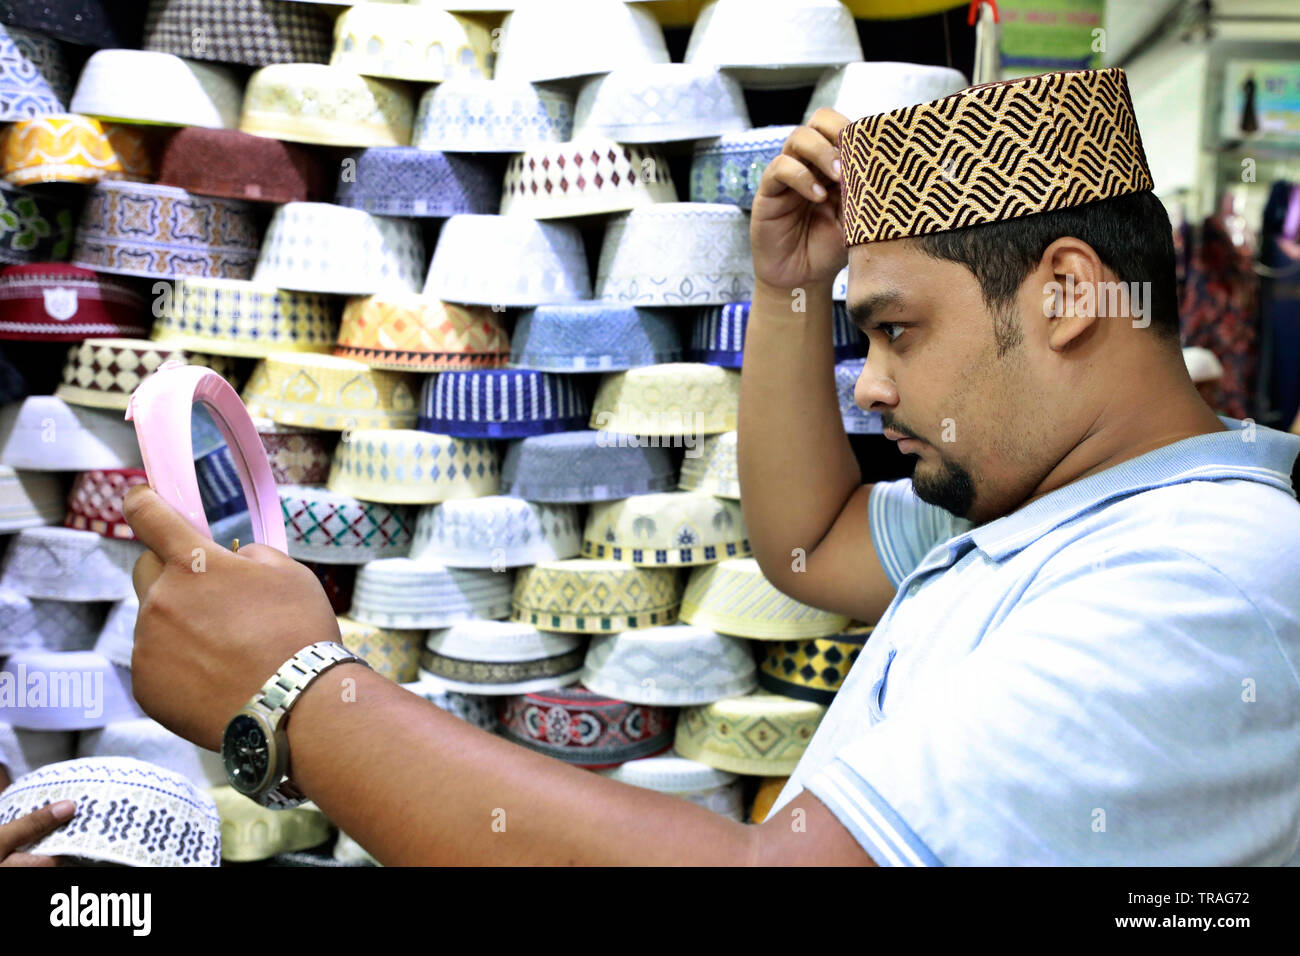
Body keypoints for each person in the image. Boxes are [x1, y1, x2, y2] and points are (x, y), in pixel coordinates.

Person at [6, 67, 1299, 866]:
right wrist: (789, 291)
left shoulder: (1201, 583)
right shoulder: (1051, 510)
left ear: (1069, 294)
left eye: (896, 330)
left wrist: (301, 697)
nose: (880, 385)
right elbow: (806, 539)